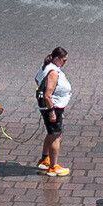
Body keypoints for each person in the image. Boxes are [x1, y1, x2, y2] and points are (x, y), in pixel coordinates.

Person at [35, 48, 71, 177]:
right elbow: (48, 95)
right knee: (56, 135)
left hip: (47, 107)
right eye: (64, 60)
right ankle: (53, 167)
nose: (65, 62)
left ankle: (45, 159)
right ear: (57, 58)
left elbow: (37, 79)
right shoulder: (53, 73)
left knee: (51, 133)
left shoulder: (46, 66)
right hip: (53, 107)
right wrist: (52, 112)